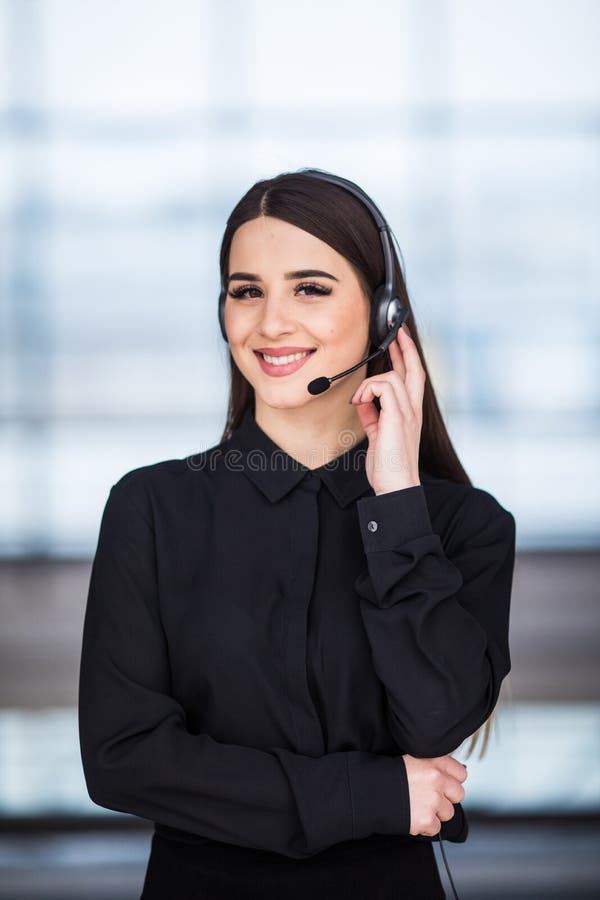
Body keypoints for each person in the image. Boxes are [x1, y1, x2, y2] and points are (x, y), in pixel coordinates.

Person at [78, 168, 517, 900]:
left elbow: (437, 718)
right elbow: (124, 758)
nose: (271, 322)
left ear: (382, 315)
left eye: (310, 288)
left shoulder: (462, 526)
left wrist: (397, 504)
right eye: (246, 290)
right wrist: (374, 794)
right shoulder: (151, 508)